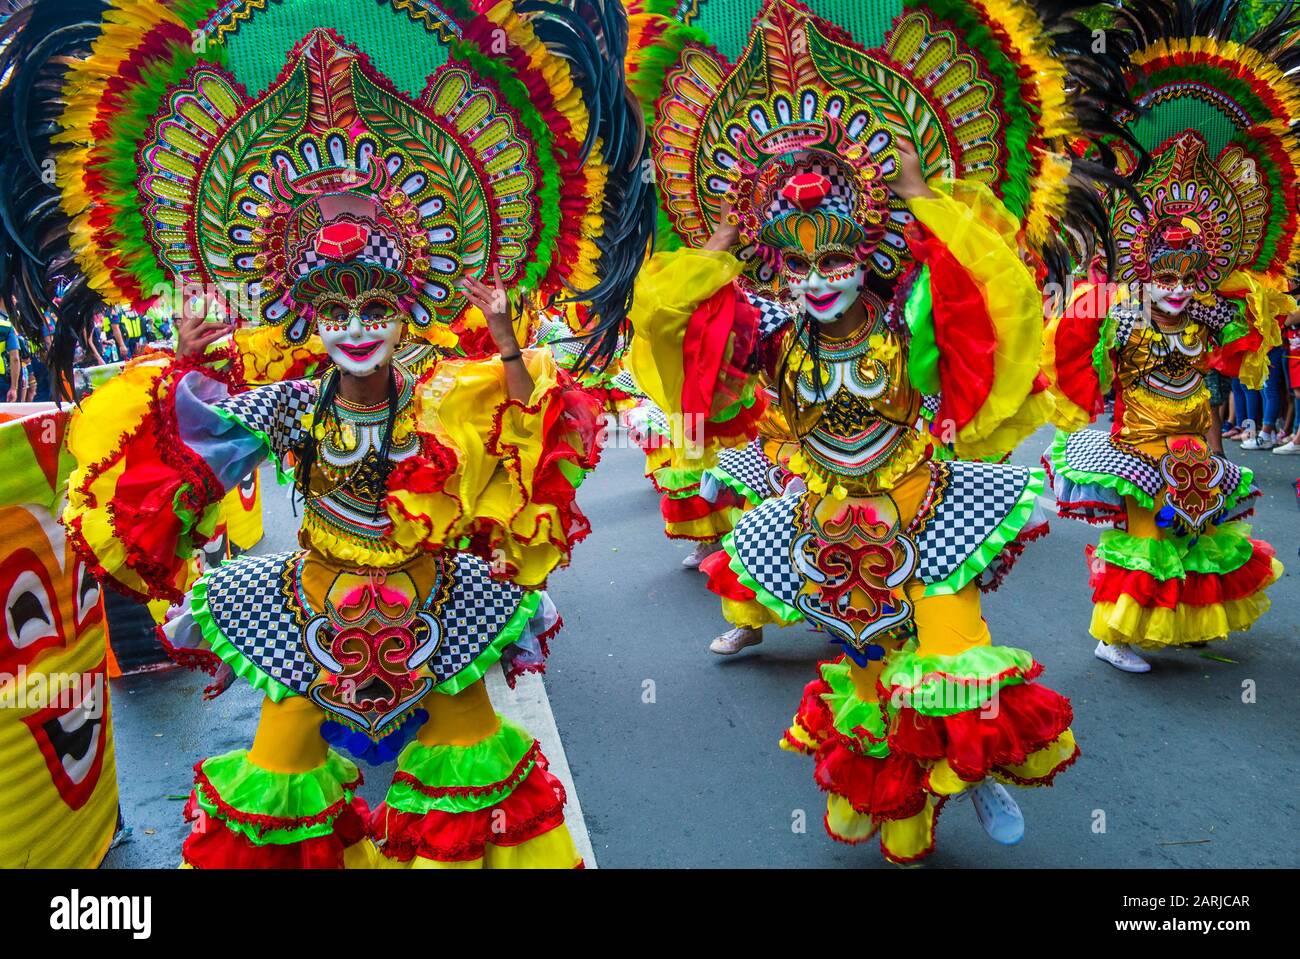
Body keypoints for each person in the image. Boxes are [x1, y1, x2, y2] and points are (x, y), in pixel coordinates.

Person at [2, 0, 653, 868]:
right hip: (304, 614)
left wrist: (503, 342)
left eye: (375, 307)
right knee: (276, 789)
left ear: (405, 311)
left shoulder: (436, 395)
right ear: (309, 316)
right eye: (335, 308)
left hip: (438, 610)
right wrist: (183, 368)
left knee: (475, 780)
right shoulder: (293, 404)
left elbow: (528, 438)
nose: (355, 325)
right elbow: (186, 455)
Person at [622, 0, 1125, 863]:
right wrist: (712, 249)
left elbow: (994, 293)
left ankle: (978, 769)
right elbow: (665, 330)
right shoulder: (771, 339)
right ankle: (911, 802)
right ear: (779, 264)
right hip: (825, 525)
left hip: (927, 506)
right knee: (868, 683)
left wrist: (925, 199)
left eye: (836, 259)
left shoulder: (906, 322)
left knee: (955, 655)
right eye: (801, 262)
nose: (819, 278)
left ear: (864, 254)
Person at [1044, 0, 1291, 673]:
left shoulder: (1209, 315)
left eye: (1190, 273)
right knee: (1148, 536)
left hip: (1194, 431)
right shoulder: (1118, 313)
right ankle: (1113, 633)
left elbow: (1232, 360)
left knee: (1198, 528)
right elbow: (1076, 348)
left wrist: (1212, 439)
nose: (1178, 286)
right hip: (1140, 442)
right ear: (1138, 264)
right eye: (1163, 272)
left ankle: (1179, 622)